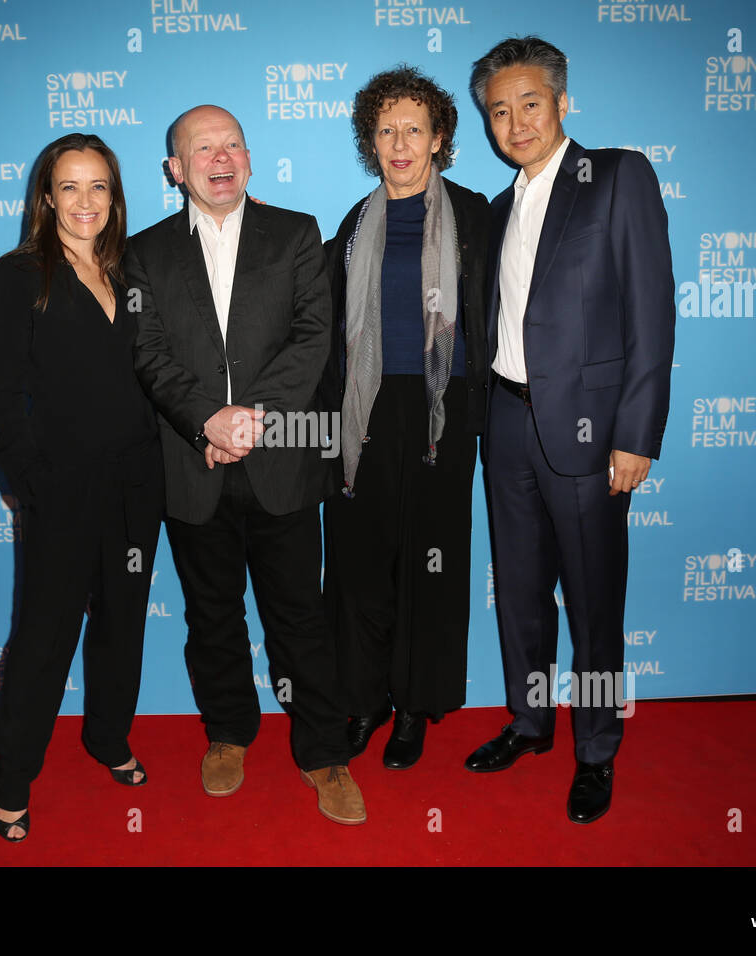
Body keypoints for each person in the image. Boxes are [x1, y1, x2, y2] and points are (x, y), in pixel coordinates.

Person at [127, 104, 365, 825]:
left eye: (231, 144)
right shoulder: (143, 252)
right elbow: (148, 352)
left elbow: (312, 336)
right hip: (192, 463)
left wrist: (249, 420)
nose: (219, 157)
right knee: (211, 614)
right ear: (176, 168)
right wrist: (206, 418)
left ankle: (324, 753)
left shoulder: (296, 234)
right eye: (202, 148)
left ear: (251, 158)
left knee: (300, 617)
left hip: (281, 463)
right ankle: (228, 733)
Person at [465, 36, 675, 823]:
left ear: (561, 102)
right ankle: (529, 723)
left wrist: (638, 432)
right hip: (507, 423)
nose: (515, 122)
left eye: (529, 103)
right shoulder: (496, 208)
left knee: (592, 604)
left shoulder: (616, 177)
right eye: (499, 110)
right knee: (520, 593)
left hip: (591, 434)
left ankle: (595, 750)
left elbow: (653, 314)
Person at [0, 133, 164, 842]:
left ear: (114, 196)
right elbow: (0, 389)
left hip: (137, 483)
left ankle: (108, 737)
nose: (85, 201)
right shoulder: (20, 275)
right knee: (46, 633)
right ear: (46, 198)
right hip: (62, 486)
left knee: (122, 619)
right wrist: (25, 478)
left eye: (99, 187)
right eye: (70, 187)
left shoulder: (133, 272)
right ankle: (13, 772)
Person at [320, 66, 489, 770]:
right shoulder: (354, 224)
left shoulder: (477, 215)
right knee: (360, 563)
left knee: (432, 564)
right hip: (362, 417)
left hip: (440, 414)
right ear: (370, 140)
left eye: (413, 129)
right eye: (385, 129)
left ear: (439, 138)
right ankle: (364, 701)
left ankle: (416, 707)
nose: (399, 142)